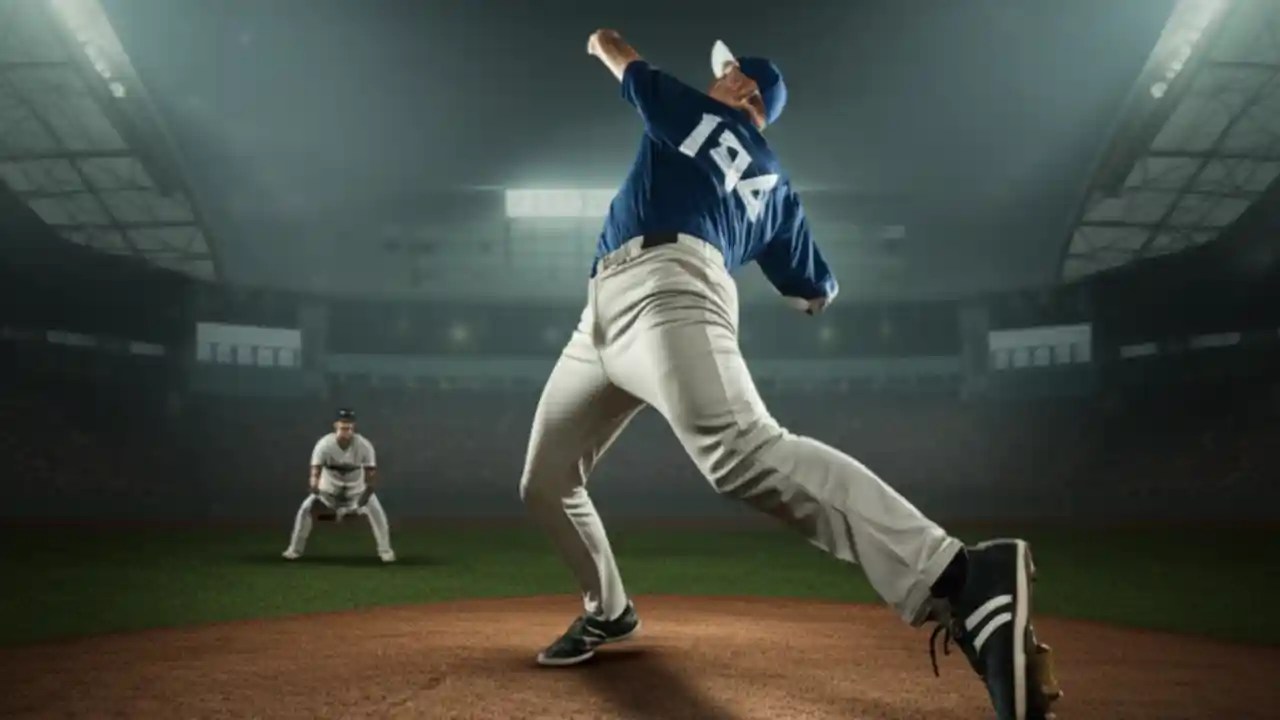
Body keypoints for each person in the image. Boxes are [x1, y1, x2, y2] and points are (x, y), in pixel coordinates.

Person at [516, 29, 1060, 720]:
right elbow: (815, 290)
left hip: (663, 289)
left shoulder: (700, 113)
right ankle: (610, 610)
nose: (716, 79)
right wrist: (774, 238)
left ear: (744, 92)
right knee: (545, 477)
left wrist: (596, 41)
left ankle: (958, 574)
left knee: (741, 452)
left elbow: (616, 53)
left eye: (728, 74)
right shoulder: (778, 188)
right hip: (617, 311)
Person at [283, 408, 396, 563]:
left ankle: (386, 551)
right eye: (343, 426)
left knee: (377, 512)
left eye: (349, 426)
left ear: (353, 427)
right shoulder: (324, 444)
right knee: (305, 509)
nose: (346, 430)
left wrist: (363, 500)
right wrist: (316, 490)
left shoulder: (364, 445)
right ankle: (294, 550)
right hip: (328, 492)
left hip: (356, 492)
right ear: (335, 425)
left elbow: (371, 476)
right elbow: (315, 473)